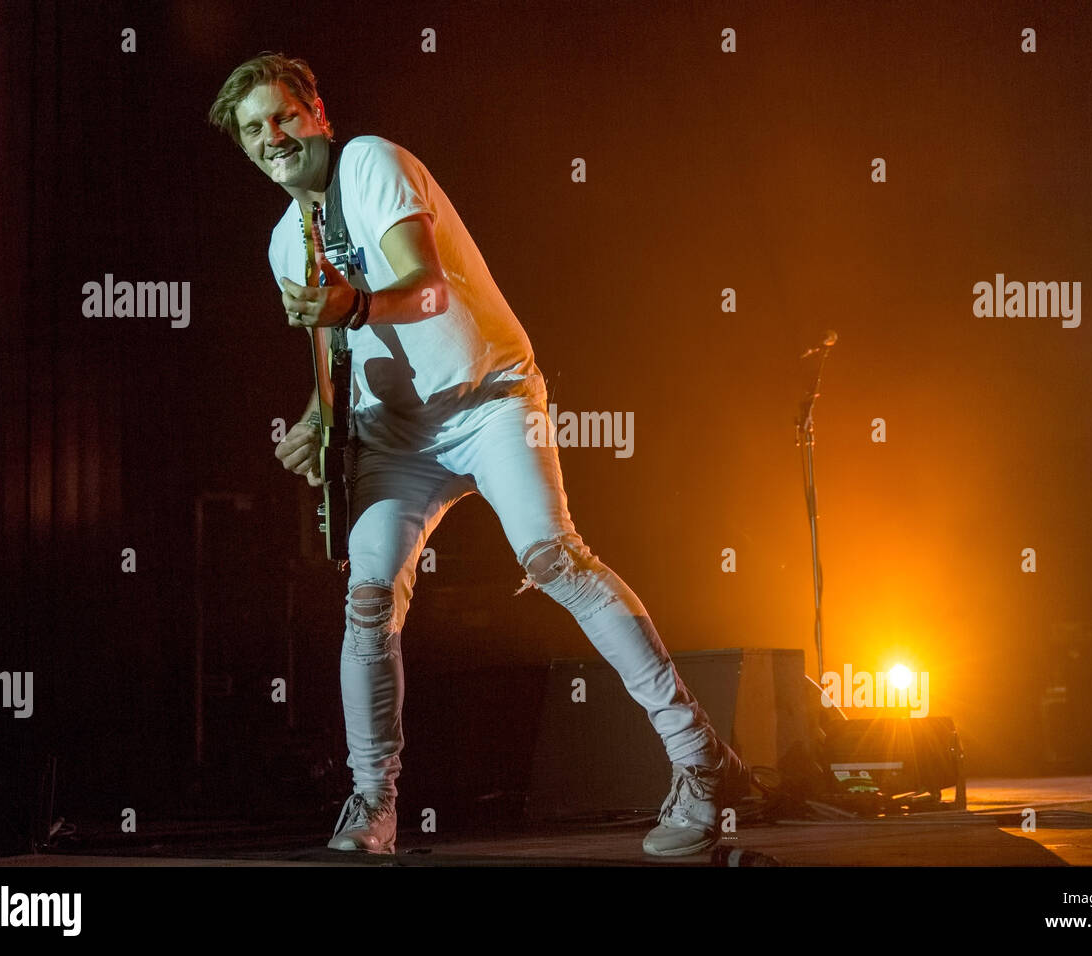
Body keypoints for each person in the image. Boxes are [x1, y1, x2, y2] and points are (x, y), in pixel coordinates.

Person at [208, 52, 749, 857]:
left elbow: (427, 290)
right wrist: (315, 422)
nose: (272, 136)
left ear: (319, 114)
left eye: (284, 115)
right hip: (397, 437)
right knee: (365, 598)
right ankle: (372, 804)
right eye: (254, 129)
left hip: (491, 400)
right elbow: (330, 361)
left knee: (554, 556)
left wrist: (352, 303)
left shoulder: (371, 161)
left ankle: (700, 757)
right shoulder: (285, 242)